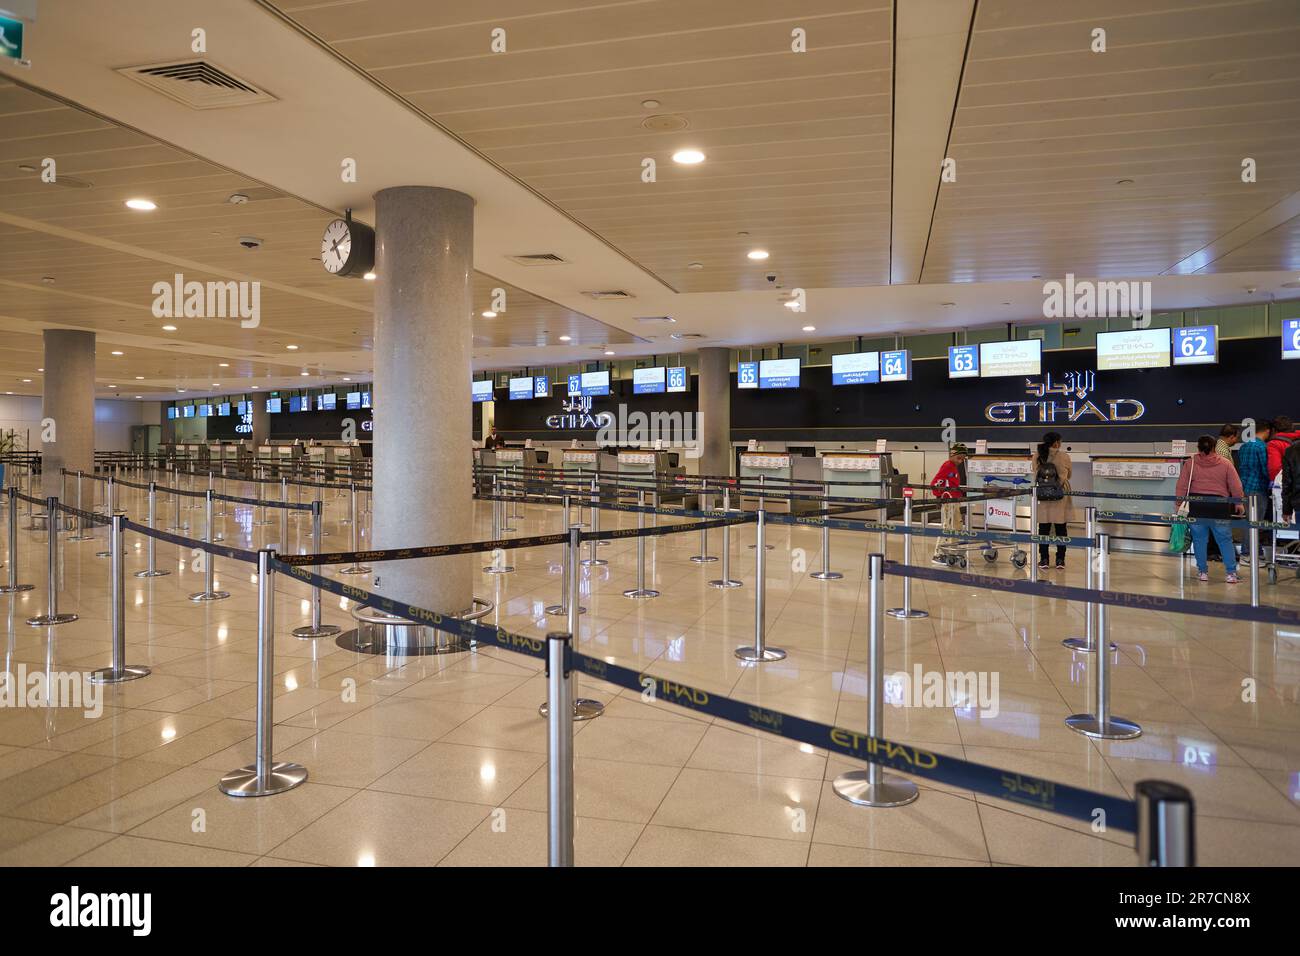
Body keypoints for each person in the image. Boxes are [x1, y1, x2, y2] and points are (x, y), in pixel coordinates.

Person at [1176, 435, 1245, 584]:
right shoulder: (1225, 463)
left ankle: (1202, 572)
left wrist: (1178, 505)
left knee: (1200, 540)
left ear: (1198, 448)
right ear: (1214, 447)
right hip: (1219, 506)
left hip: (1197, 505)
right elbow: (1236, 485)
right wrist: (1238, 502)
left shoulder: (1191, 463)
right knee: (1225, 540)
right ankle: (1231, 574)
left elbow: (1181, 485)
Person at [1032, 431, 1072, 570]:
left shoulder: (1037, 455)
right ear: (1056, 443)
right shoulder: (1064, 456)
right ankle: (1060, 560)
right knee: (1061, 529)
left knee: (1043, 529)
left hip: (1043, 496)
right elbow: (1069, 475)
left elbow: (1035, 473)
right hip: (1060, 495)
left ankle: (1044, 559)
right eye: (1060, 441)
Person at [1207, 424, 1241, 561]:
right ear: (1231, 436)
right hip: (1219, 492)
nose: (1237, 440)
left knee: (1214, 523)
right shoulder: (1221, 450)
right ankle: (1215, 551)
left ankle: (1214, 551)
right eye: (1236, 437)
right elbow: (1223, 473)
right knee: (1218, 523)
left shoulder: (1219, 447)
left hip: (1217, 492)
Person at [931, 442, 969, 563]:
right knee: (948, 527)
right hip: (949, 501)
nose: (960, 461)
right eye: (959, 458)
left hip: (954, 501)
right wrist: (938, 496)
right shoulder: (948, 465)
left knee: (957, 526)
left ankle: (952, 551)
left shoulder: (953, 467)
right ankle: (938, 554)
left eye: (963, 459)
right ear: (952, 455)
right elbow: (935, 483)